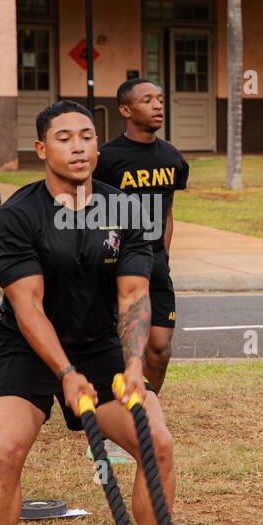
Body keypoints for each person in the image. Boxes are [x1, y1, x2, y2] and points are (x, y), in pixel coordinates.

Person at [0, 100, 191, 525]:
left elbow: (135, 293)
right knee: (7, 449)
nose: (78, 147)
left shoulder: (127, 211)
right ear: (41, 149)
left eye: (87, 137)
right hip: (28, 347)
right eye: (64, 137)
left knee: (156, 443)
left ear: (99, 145)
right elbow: (27, 307)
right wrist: (64, 372)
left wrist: (134, 363)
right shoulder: (16, 216)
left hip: (100, 349)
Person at [93, 77, 189, 394]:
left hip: (156, 263)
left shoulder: (173, 158)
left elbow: (168, 212)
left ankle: (147, 403)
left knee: (159, 348)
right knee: (120, 346)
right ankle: (119, 413)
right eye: (147, 100)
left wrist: (164, 255)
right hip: (116, 264)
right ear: (125, 109)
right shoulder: (104, 159)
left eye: (160, 98)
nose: (158, 105)